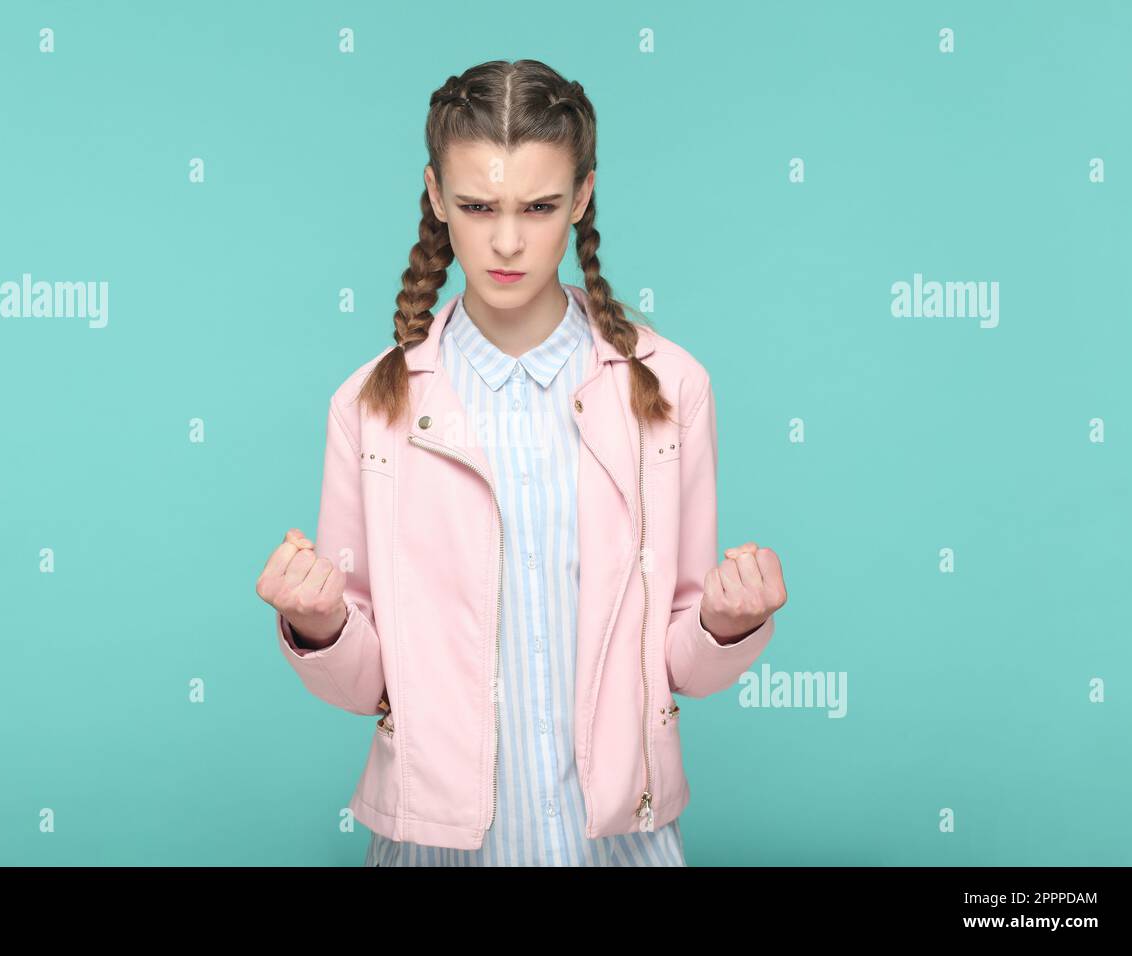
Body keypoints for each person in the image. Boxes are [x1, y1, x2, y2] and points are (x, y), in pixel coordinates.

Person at [255, 59, 788, 866]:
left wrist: (728, 622)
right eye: (477, 207)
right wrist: (318, 624)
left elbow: (681, 660)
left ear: (581, 198)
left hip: (617, 844)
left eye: (539, 209)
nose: (507, 242)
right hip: (435, 847)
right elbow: (364, 685)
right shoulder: (368, 406)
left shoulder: (671, 388)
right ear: (435, 196)